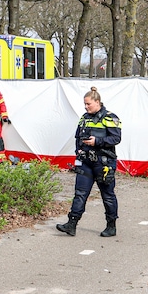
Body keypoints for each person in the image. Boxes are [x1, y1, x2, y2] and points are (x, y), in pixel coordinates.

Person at [56, 87, 122, 237]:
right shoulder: (84, 117)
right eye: (84, 104)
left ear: (97, 102)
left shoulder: (110, 118)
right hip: (86, 161)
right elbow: (78, 137)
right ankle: (71, 224)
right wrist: (78, 150)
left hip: (103, 163)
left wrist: (97, 141)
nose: (86, 107)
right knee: (80, 193)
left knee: (107, 195)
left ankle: (111, 226)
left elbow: (116, 138)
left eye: (88, 104)